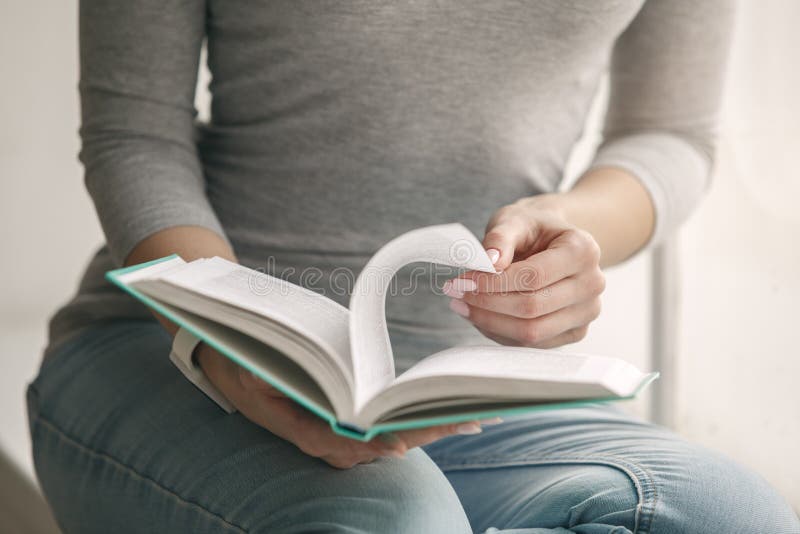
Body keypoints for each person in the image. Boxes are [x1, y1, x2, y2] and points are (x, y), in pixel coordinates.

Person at [27, 1, 800, 533]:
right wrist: (231, 336)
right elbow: (133, 131)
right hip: (176, 352)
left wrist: (571, 228)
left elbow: (670, 132)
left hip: (463, 391)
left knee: (732, 515)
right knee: (395, 521)